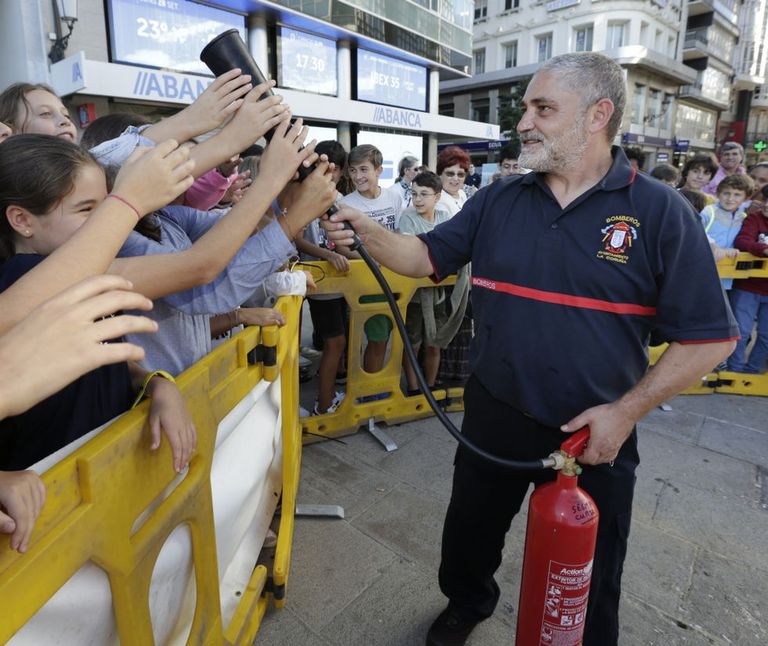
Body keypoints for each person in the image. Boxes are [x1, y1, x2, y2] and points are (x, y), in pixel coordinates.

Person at [324, 51, 737, 646]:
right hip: (494, 409)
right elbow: (423, 259)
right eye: (526, 107)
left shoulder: (659, 211)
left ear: (598, 114)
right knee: (469, 532)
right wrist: (364, 228)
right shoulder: (501, 199)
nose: (525, 122)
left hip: (594, 430)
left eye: (543, 108)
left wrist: (624, 414)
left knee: (590, 568)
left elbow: (711, 336)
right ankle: (467, 603)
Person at [399, 171, 469, 395]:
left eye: (424, 194)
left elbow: (453, 250)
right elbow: (413, 253)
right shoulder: (407, 217)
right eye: (414, 194)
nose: (417, 199)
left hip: (439, 294)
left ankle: (430, 386)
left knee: (435, 342)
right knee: (413, 342)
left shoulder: (444, 216)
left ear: (437, 197)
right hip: (415, 296)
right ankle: (413, 387)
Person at [340, 144, 402, 373]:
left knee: (390, 340)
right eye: (353, 170)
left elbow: (398, 235)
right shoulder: (346, 203)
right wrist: (371, 258)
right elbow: (342, 247)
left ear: (378, 170)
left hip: (395, 280)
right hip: (366, 283)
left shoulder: (394, 198)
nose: (358, 176)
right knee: (375, 340)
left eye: (364, 169)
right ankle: (370, 392)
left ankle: (381, 389)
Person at [728, 184, 768, 373]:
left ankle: (752, 371)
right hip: (748, 286)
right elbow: (743, 241)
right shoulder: (754, 218)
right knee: (741, 332)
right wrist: (764, 250)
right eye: (766, 200)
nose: (767, 205)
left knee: (766, 335)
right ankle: (733, 370)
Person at [700, 174, 754, 272]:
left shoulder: (743, 218)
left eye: (737, 194)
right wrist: (713, 245)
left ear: (745, 198)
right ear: (718, 193)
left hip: (728, 274)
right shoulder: (708, 212)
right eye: (726, 193)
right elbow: (694, 233)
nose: (730, 199)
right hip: (703, 270)